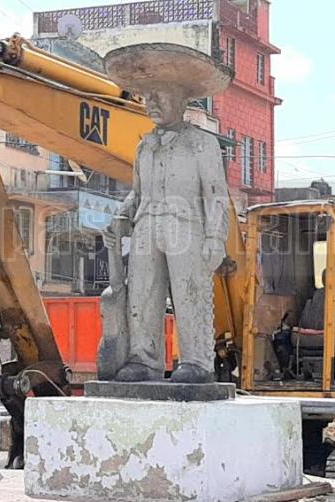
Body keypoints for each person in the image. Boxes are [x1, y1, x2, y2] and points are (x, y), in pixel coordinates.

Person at [102, 44, 231, 383]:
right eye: (147, 97)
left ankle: (196, 361)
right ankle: (144, 360)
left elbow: (216, 195)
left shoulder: (202, 143)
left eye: (159, 95)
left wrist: (216, 238)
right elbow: (138, 192)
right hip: (146, 226)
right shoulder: (144, 144)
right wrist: (121, 215)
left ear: (182, 100)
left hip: (185, 225)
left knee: (190, 293)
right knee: (142, 294)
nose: (152, 103)